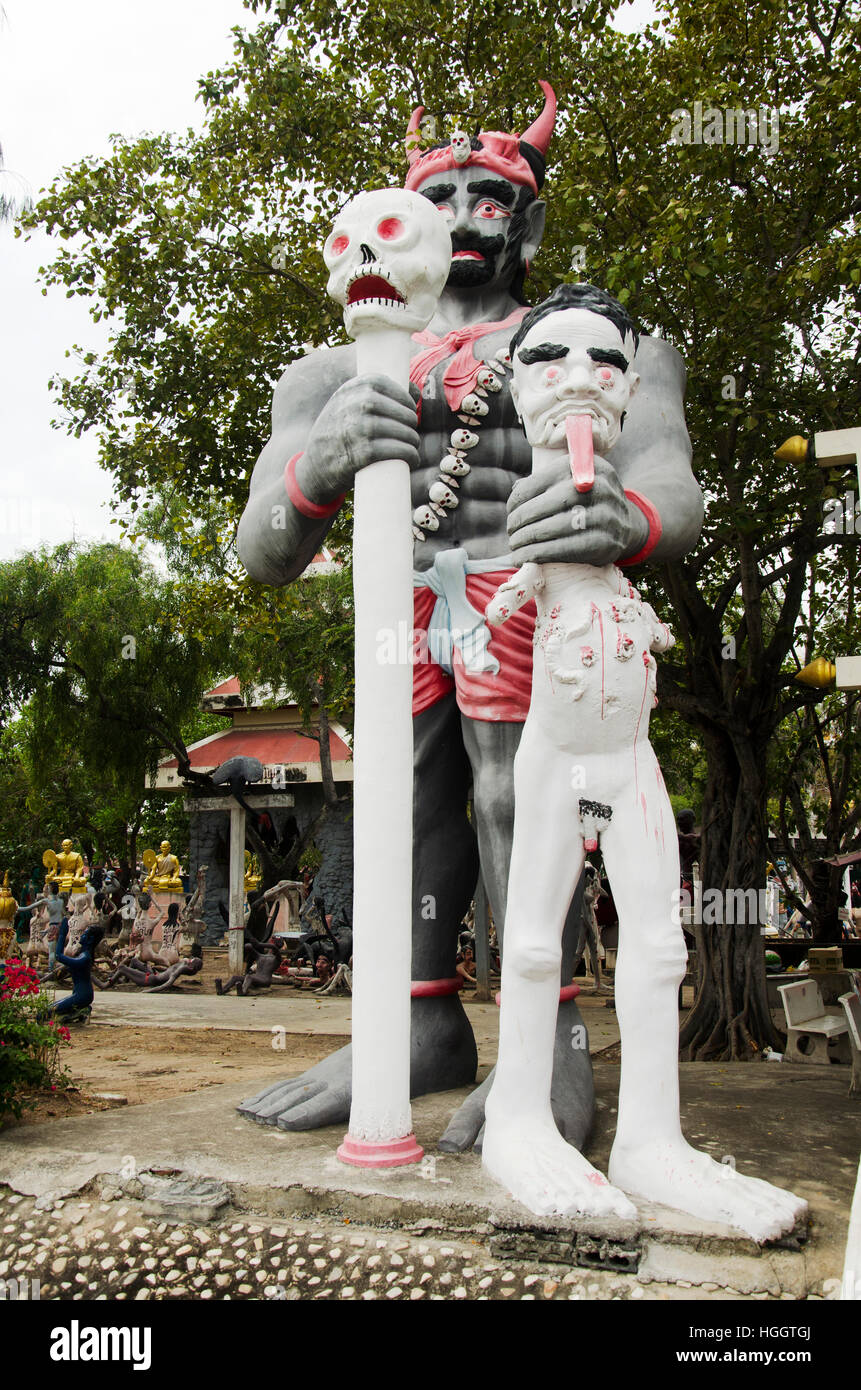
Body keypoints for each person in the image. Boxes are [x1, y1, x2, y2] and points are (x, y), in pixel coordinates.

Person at [236, 83, 703, 1144]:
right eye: (434, 195)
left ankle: (554, 1048)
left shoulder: (601, 341)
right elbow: (262, 545)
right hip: (400, 605)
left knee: (513, 798)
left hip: (527, 596)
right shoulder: (329, 370)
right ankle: (414, 1024)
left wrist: (619, 516)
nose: (459, 213)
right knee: (398, 798)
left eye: (487, 195)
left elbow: (676, 496)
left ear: (527, 217)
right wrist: (318, 466)